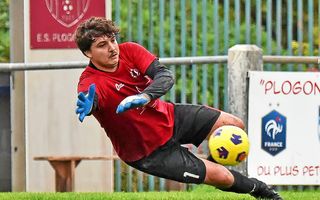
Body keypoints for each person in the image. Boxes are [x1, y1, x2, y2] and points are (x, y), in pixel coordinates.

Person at [75, 17, 282, 200]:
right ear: (87, 53)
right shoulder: (90, 82)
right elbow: (90, 99)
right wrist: (90, 105)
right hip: (148, 152)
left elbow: (165, 76)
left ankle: (213, 166)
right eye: (102, 45)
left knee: (235, 125)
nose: (112, 48)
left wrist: (145, 96)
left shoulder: (130, 50)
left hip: (170, 117)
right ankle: (262, 191)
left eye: (112, 40)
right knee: (223, 177)